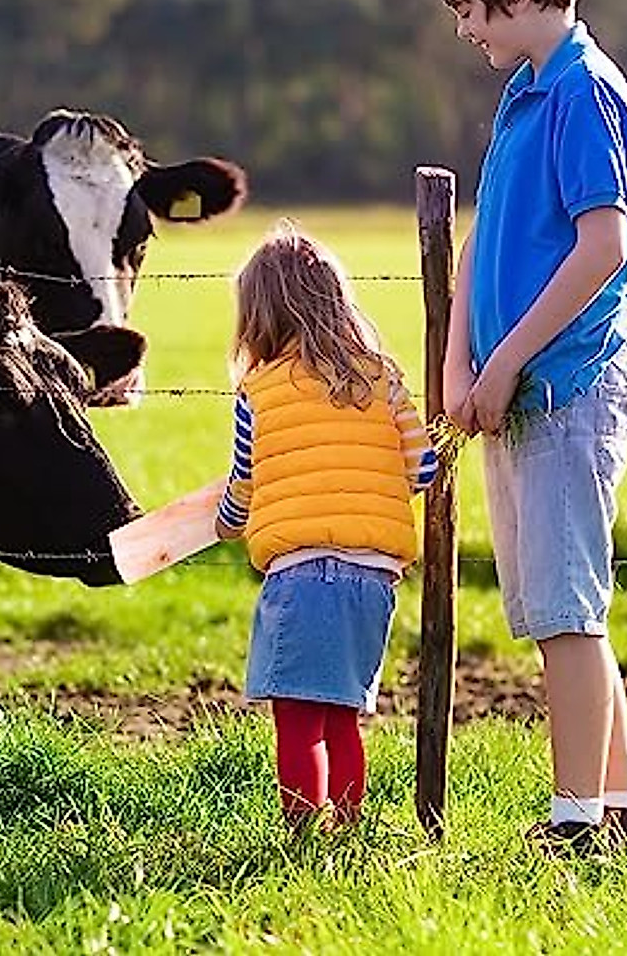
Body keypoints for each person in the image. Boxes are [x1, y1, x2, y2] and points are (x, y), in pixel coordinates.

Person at [430, 0, 627, 855]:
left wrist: (510, 357)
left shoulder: (582, 92)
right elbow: (486, 239)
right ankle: (625, 808)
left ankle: (576, 824)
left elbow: (601, 246)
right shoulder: (526, 92)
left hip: (566, 388)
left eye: (471, 9)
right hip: (515, 390)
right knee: (558, 605)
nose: (464, 29)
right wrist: (457, 356)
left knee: (567, 611)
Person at [214, 221, 436, 833]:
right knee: (341, 713)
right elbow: (422, 467)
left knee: (296, 717)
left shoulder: (257, 391)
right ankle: (349, 821)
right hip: (375, 577)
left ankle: (303, 832)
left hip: (300, 572)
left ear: (257, 316)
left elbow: (245, 481)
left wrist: (227, 521)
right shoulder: (381, 375)